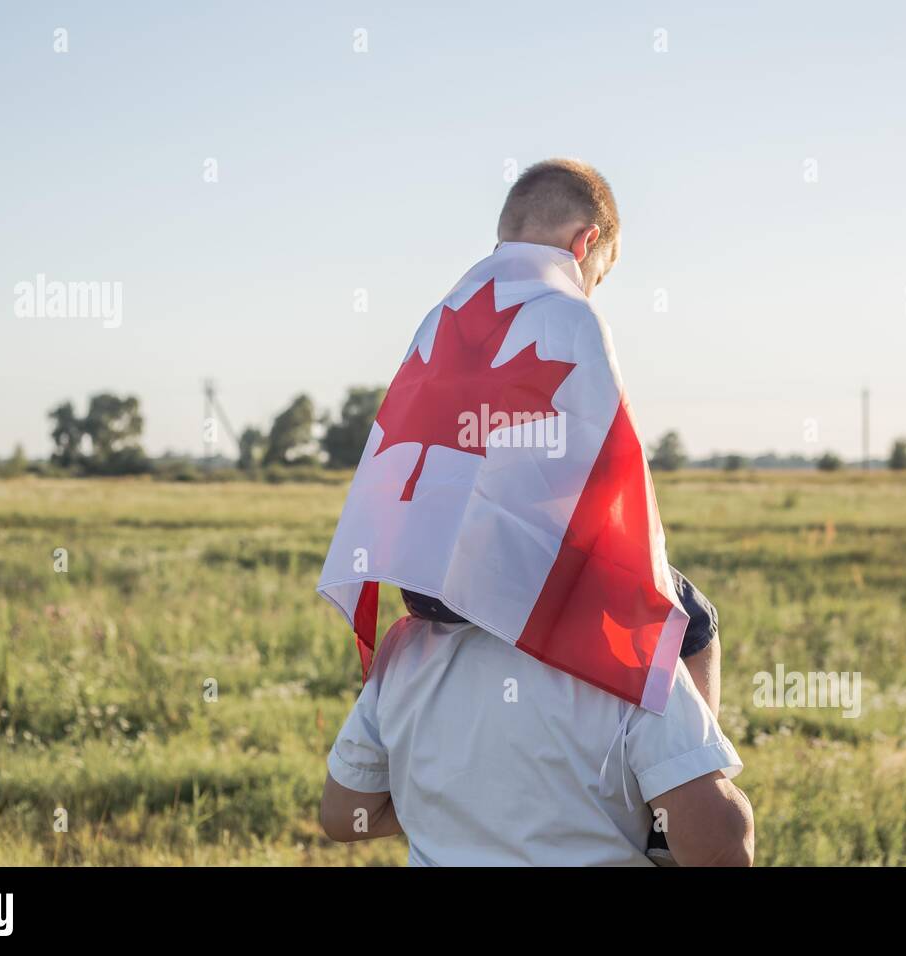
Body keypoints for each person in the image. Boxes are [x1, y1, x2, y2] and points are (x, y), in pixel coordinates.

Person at [320, 159, 754, 865]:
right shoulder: (571, 310)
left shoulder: (446, 313)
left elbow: (344, 816)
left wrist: (458, 799)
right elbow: (608, 464)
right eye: (601, 269)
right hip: (545, 575)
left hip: (438, 569)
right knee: (689, 616)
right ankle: (659, 809)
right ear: (586, 244)